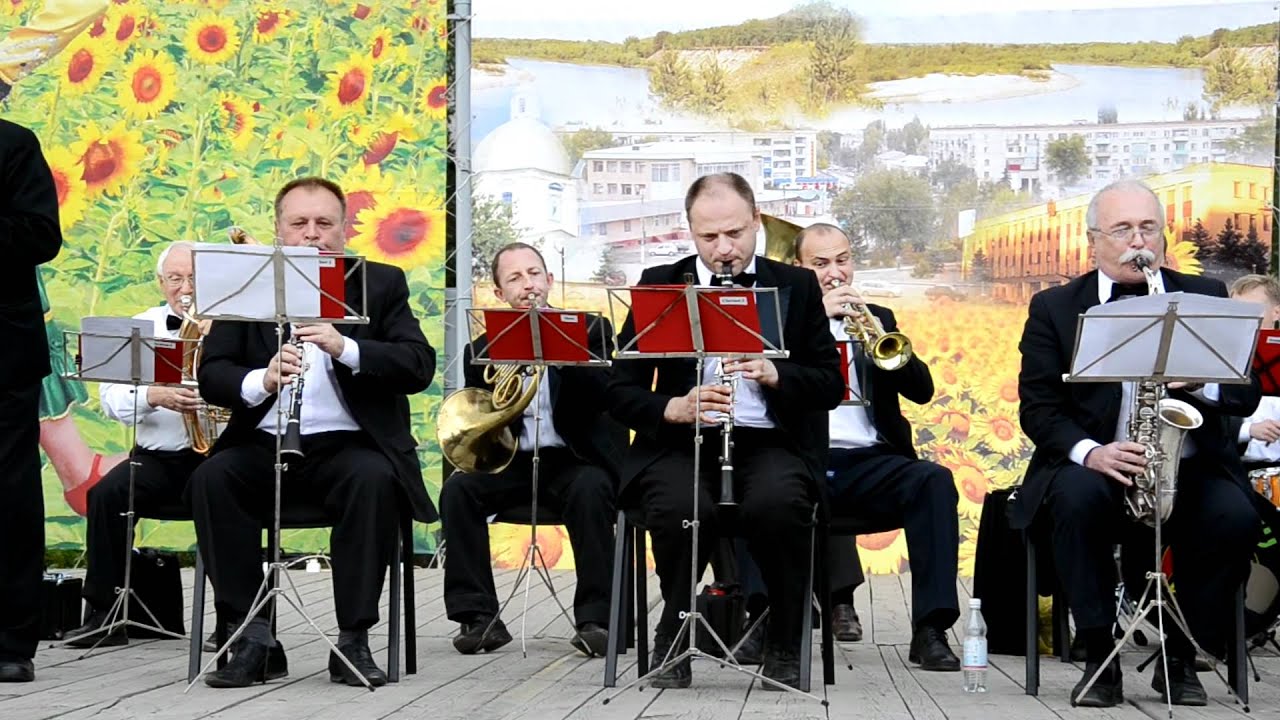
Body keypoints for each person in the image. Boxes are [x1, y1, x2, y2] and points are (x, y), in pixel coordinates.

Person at [1013, 179, 1261, 707]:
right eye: (1122, 229)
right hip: (1099, 465)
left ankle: (1181, 657)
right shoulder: (1055, 308)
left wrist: (1200, 380)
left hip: (1187, 468)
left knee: (1234, 517)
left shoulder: (1206, 295)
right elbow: (1037, 409)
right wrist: (1092, 452)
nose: (1138, 242)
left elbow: (1246, 395)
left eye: (1148, 228)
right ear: (1093, 240)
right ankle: (1101, 656)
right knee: (1075, 499)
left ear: (1163, 236)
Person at [189, 177, 437, 688]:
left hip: (348, 447)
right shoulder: (247, 284)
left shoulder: (379, 283)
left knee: (373, 480)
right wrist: (262, 379)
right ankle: (252, 635)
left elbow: (418, 365)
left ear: (343, 230)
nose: (312, 235)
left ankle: (353, 641)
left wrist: (345, 347)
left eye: (324, 223)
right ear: (278, 231)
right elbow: (212, 374)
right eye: (299, 224)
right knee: (213, 480)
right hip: (263, 442)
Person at [608, 173, 844, 690]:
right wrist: (673, 406)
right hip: (680, 442)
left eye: (735, 234)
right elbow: (618, 388)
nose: (724, 250)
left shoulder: (796, 286)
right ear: (690, 231)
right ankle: (673, 626)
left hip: (769, 441)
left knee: (778, 505)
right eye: (709, 238)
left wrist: (777, 372)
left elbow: (829, 382)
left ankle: (784, 635)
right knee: (678, 508)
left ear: (757, 221)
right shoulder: (660, 282)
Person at [439, 241, 624, 657]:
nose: (528, 285)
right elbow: (483, 415)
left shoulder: (591, 330)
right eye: (515, 279)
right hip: (514, 460)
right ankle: (478, 617)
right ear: (500, 293)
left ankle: (597, 619)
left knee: (591, 489)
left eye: (534, 274)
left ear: (550, 280)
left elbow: (606, 398)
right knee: (459, 490)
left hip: (575, 457)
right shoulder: (482, 349)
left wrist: (561, 356)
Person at [792, 223, 961, 671]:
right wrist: (815, 321)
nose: (835, 273)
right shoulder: (787, 318)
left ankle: (931, 629)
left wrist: (878, 336)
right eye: (820, 264)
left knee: (934, 481)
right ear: (799, 269)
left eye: (842, 260)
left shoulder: (878, 317)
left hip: (870, 460)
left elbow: (922, 390)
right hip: (801, 460)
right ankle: (769, 621)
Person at [62, 243, 207, 648]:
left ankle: (235, 621)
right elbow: (110, 400)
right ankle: (104, 614)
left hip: (216, 457)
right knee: (108, 493)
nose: (185, 287)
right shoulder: (143, 327)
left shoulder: (233, 327)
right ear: (161, 284)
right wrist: (152, 396)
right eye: (175, 279)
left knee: (232, 497)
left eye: (193, 278)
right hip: (157, 459)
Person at [0, 119, 64, 683]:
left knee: (8, 493)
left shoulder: (13, 144)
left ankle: (10, 639)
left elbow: (41, 235)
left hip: (0, 354)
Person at [1228, 275, 1280, 473]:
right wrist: (1248, 431)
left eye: (1251, 310)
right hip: (1232, 470)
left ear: (1276, 313)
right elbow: (1208, 427)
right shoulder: (1219, 357)